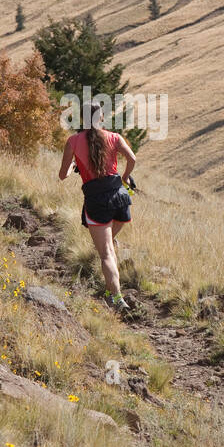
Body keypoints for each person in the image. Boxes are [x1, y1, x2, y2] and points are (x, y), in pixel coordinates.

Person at [59, 105, 137, 310]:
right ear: (102, 117)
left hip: (96, 200)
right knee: (108, 243)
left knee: (106, 254)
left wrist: (74, 166)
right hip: (120, 197)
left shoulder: (73, 142)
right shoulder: (114, 137)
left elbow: (62, 174)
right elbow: (132, 159)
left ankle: (117, 299)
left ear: (82, 119)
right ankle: (115, 286)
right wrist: (126, 177)